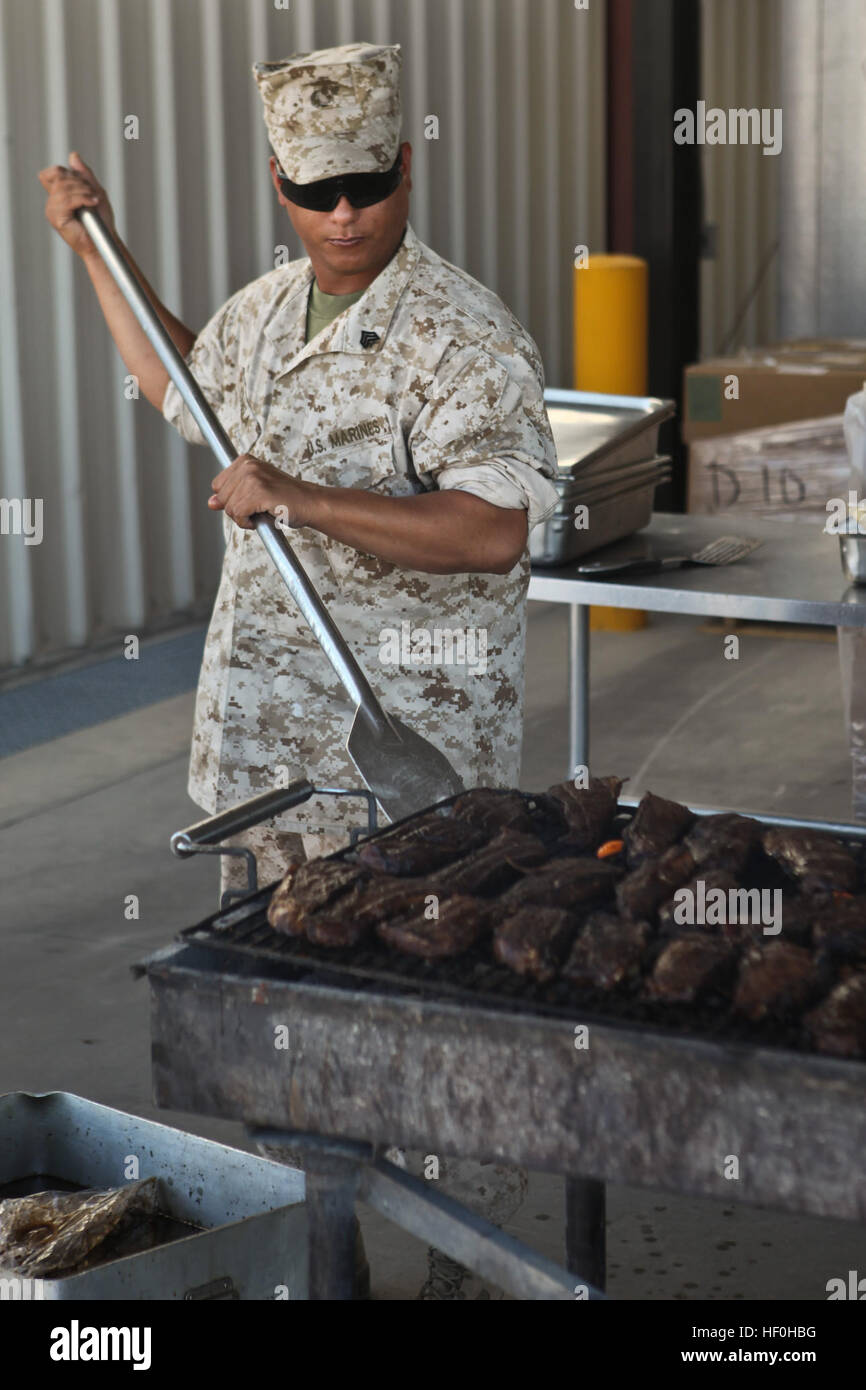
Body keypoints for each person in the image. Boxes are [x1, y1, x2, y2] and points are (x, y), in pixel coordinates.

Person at [39, 40, 558, 1300]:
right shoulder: (268, 312)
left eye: (368, 186)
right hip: (266, 758)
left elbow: (495, 523)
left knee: (421, 1035)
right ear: (277, 177)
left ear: (407, 163)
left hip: (402, 771)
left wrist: (301, 499)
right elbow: (180, 382)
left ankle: (463, 1273)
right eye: (315, 191)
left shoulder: (458, 333)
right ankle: (325, 1268)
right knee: (284, 1036)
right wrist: (94, 249)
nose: (343, 217)